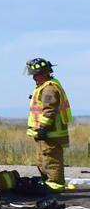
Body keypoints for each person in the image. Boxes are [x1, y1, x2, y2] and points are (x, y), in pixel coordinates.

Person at [26, 58, 74, 193]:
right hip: (45, 133)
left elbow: (49, 110)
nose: (34, 77)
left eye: (36, 74)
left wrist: (42, 128)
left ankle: (56, 184)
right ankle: (48, 182)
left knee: (51, 159)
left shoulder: (49, 89)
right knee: (43, 159)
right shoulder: (44, 87)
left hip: (50, 132)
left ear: (45, 73)